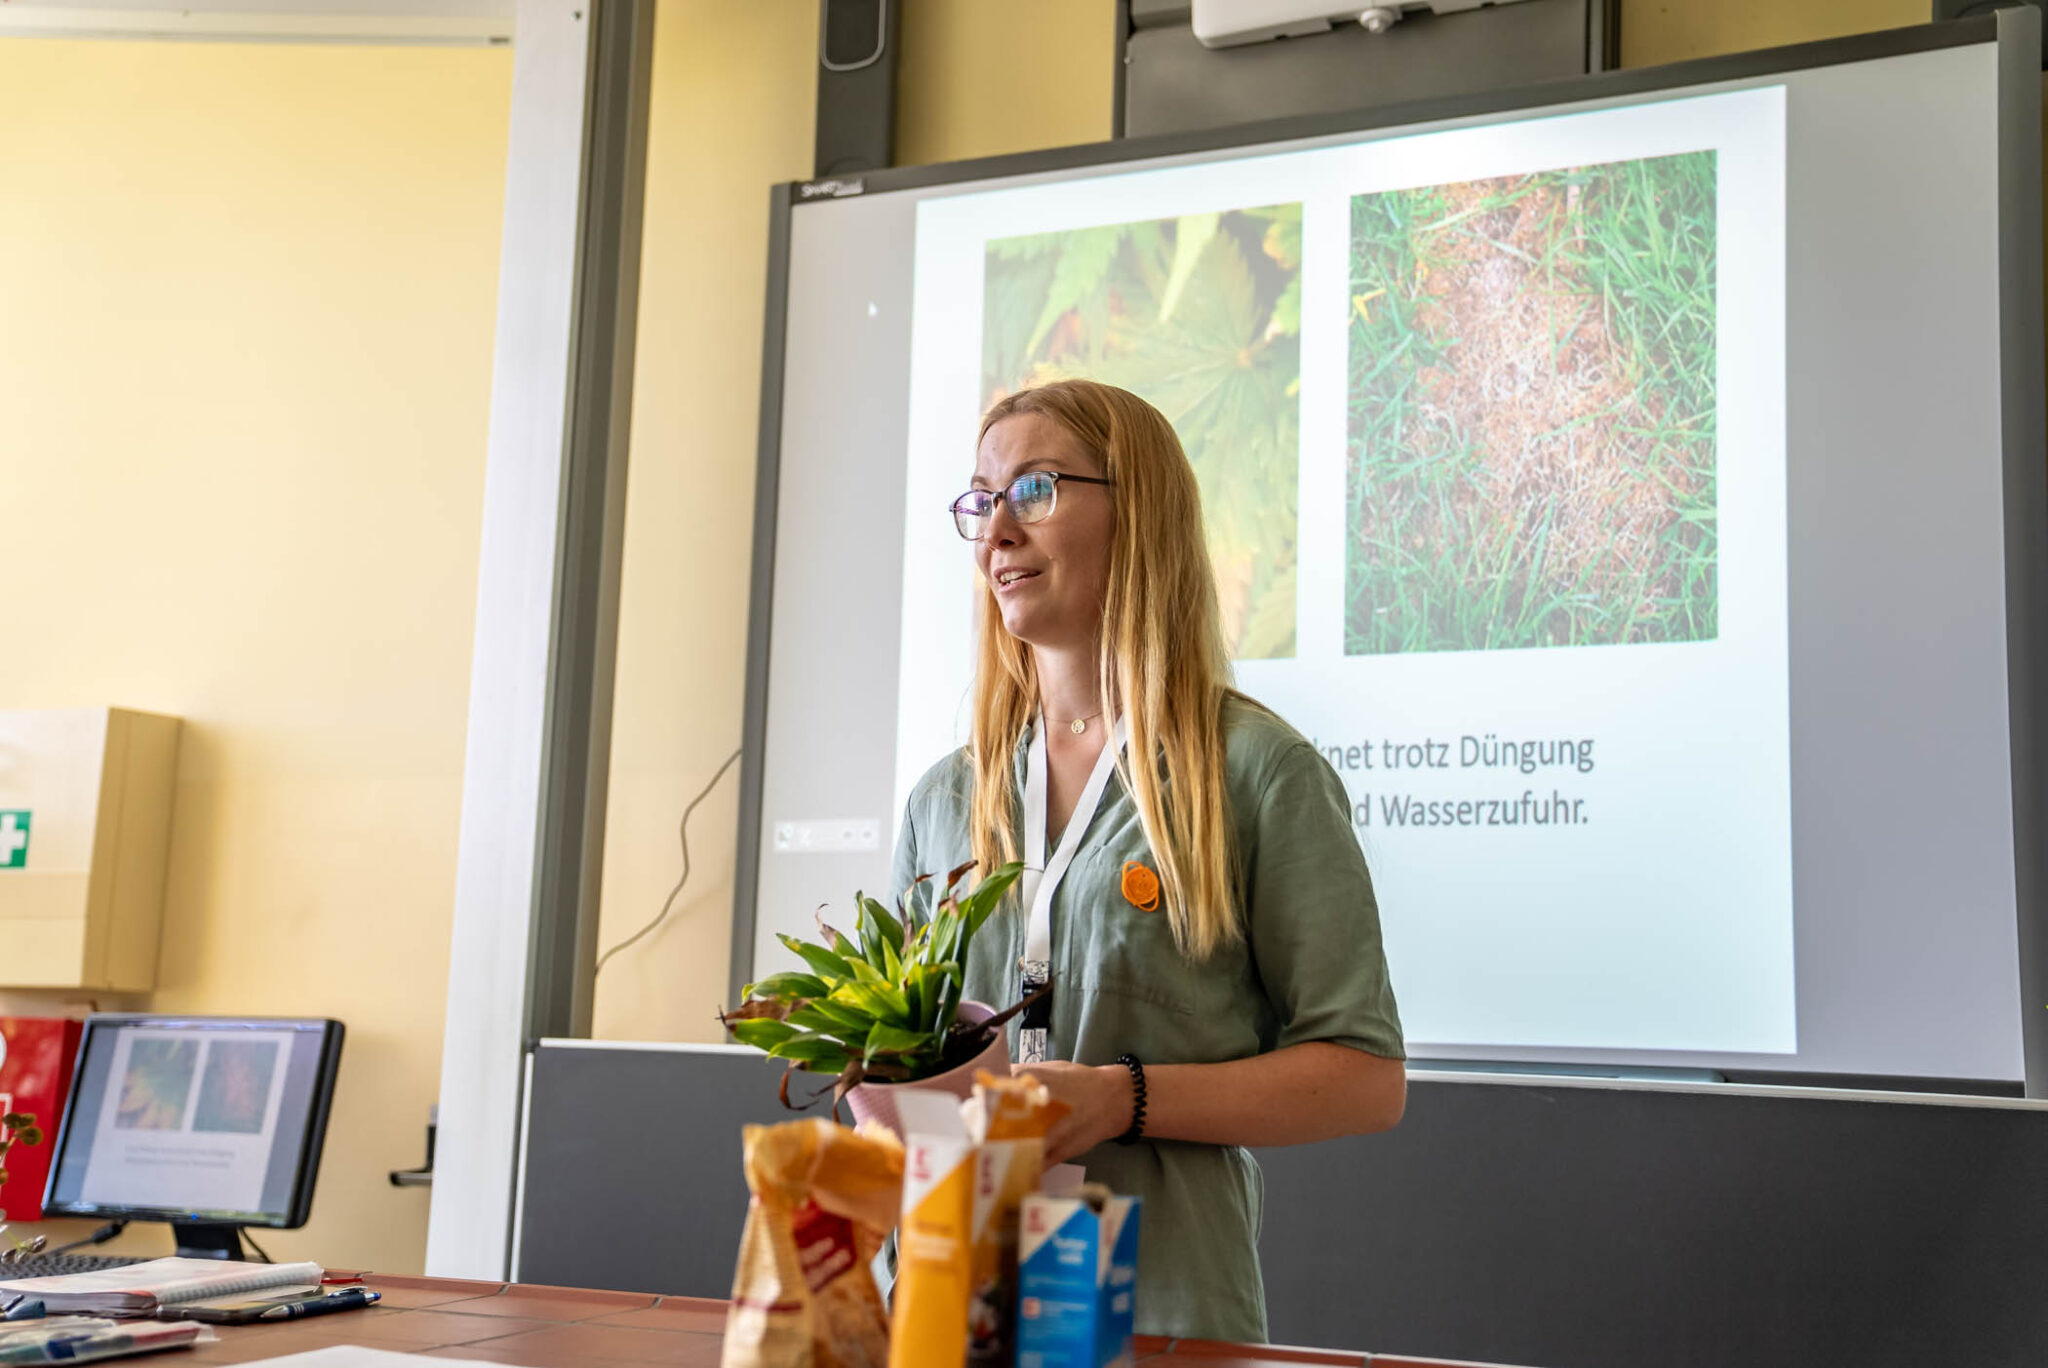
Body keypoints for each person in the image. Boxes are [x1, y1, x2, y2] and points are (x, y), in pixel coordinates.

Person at [889, 378, 1406, 1344]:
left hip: (1157, 1304)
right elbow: (901, 1051)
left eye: (1035, 489)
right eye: (983, 499)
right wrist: (876, 1085)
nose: (998, 530)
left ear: (1140, 511)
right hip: (946, 1296)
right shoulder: (943, 799)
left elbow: (1365, 1078)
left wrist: (1119, 1099)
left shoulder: (1259, 773)